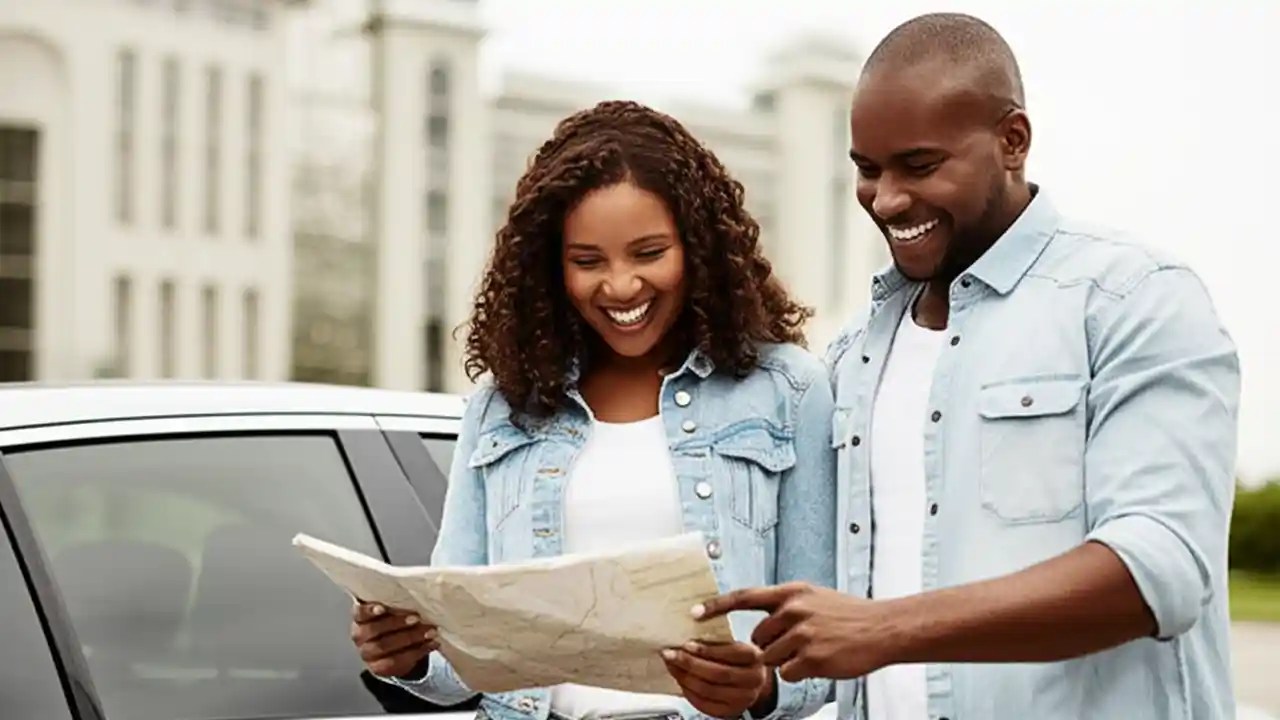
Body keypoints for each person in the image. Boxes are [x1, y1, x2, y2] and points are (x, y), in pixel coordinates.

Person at [692, 12, 1241, 720]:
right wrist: (762, 682)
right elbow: (830, 619)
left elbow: (1159, 572)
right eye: (867, 169)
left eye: (920, 166)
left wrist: (884, 629)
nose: (886, 200)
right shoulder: (853, 353)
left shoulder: (1135, 300)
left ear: (1013, 141)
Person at [348, 100, 838, 720]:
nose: (621, 285)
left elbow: (824, 645)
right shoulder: (502, 409)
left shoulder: (788, 391)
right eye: (588, 262)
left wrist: (762, 688)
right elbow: (463, 660)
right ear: (550, 270)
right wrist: (411, 655)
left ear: (699, 248)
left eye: (649, 252)